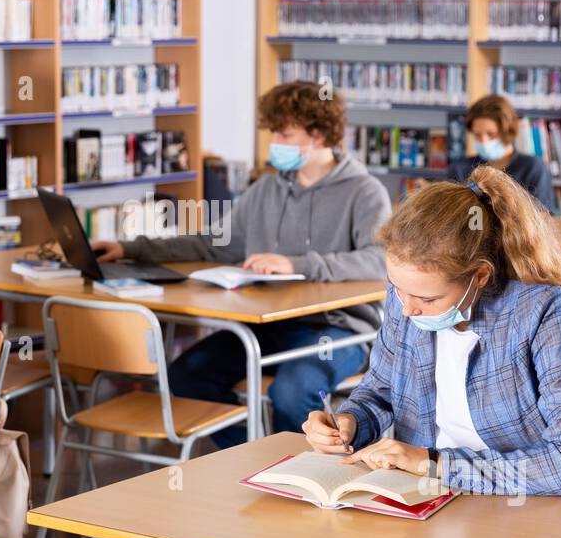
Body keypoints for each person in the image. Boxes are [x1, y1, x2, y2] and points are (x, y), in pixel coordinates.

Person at [94, 81, 392, 446]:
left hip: (337, 329)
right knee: (186, 376)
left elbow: (380, 260)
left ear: (318, 135)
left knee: (291, 393)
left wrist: (297, 264)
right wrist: (130, 248)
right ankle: (257, 459)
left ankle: (308, 480)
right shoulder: (266, 190)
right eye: (274, 133)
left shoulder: (364, 192)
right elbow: (212, 243)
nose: (275, 143)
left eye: (285, 134)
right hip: (264, 326)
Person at [303, 165, 561, 497]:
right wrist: (350, 422)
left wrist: (434, 464)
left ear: (479, 276)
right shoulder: (407, 294)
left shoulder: (543, 309)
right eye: (397, 289)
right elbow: (380, 390)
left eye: (427, 298)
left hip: (521, 507)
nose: (407, 309)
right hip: (422, 499)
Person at [447, 94, 556, 212]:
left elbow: (543, 220)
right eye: (477, 135)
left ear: (508, 131)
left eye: (491, 134)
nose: (484, 141)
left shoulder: (533, 168)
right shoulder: (460, 169)